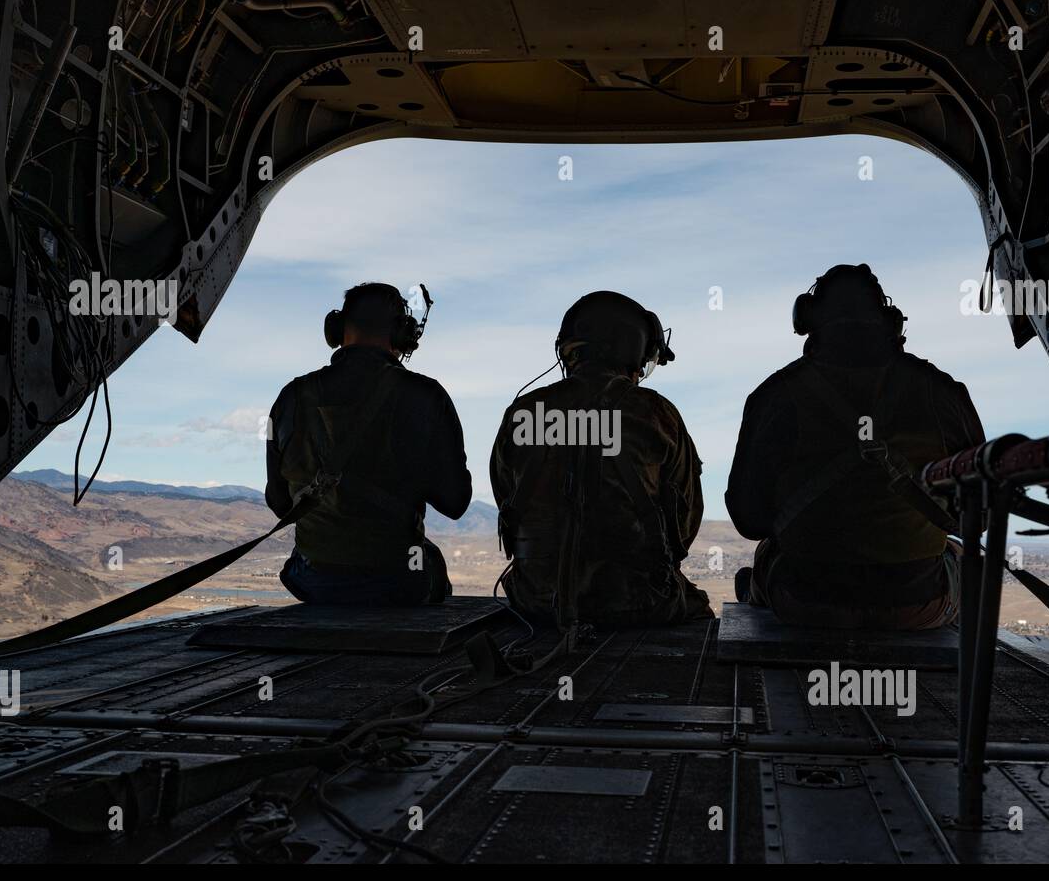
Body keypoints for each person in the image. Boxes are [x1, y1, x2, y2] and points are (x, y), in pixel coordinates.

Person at [726, 264, 985, 630]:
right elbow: (981, 513)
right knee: (959, 556)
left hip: (805, 600)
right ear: (890, 322)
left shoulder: (775, 395)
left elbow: (748, 519)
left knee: (768, 552)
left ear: (808, 321)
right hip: (918, 603)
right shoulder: (942, 392)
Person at [491, 291, 711, 630]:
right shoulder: (656, 413)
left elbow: (507, 499)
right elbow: (683, 528)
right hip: (642, 603)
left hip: (535, 602)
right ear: (635, 350)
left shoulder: (523, 412)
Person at [265, 282, 471, 605]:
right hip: (399, 577)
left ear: (336, 330)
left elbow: (279, 501)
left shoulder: (290, 398)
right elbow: (456, 502)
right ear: (403, 334)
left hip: (313, 576)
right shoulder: (428, 397)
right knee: (430, 559)